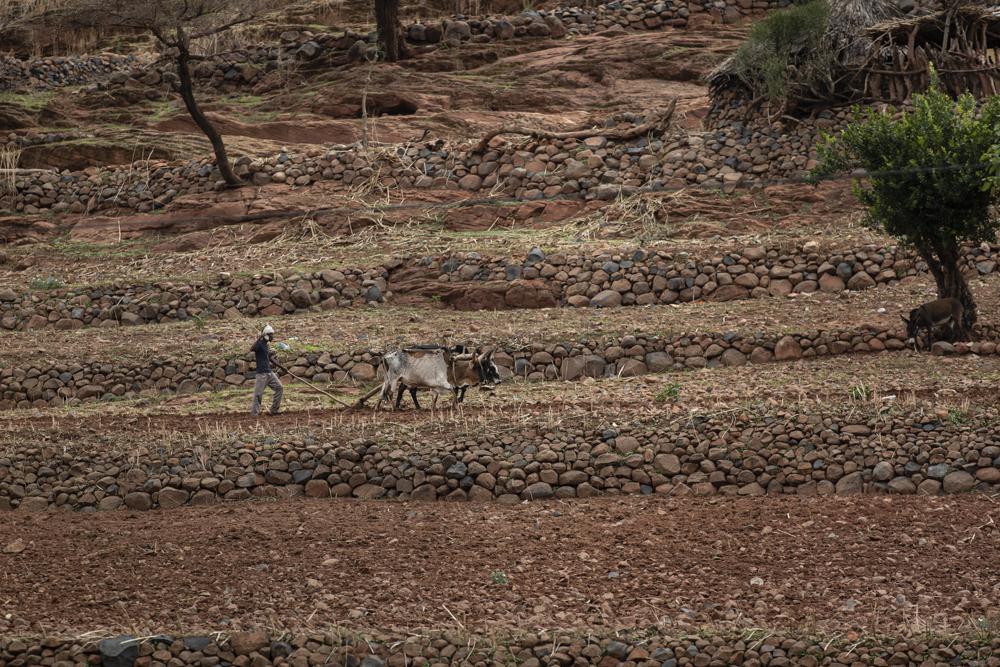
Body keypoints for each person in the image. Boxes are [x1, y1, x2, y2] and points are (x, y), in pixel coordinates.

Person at [250, 324, 283, 416]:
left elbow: (269, 358)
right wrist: (259, 338)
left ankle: (274, 410)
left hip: (269, 372)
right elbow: (252, 348)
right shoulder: (260, 344)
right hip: (261, 374)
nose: (273, 336)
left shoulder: (266, 345)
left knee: (279, 388)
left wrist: (281, 366)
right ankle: (254, 414)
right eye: (271, 334)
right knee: (258, 394)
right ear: (266, 335)